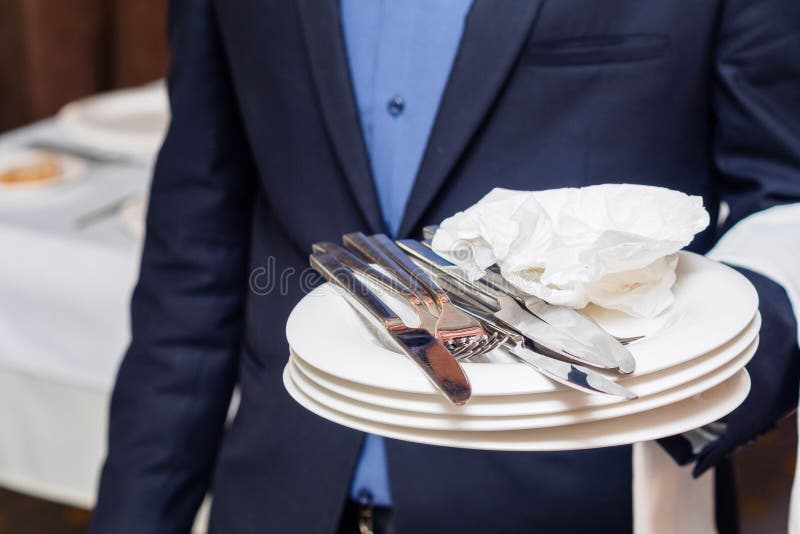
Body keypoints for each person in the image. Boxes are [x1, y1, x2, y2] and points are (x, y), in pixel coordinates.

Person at [90, 1, 800, 532]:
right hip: (281, 497)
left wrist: (696, 392)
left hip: (580, 501)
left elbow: (785, 196)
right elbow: (195, 249)